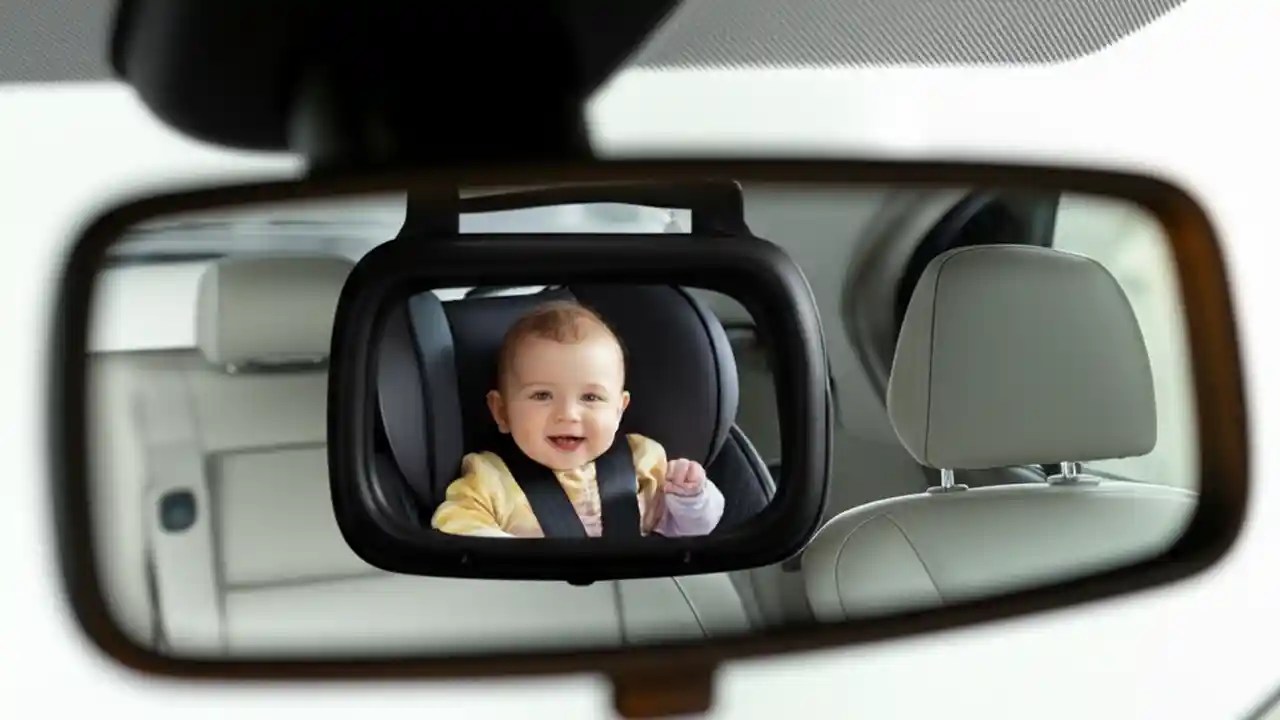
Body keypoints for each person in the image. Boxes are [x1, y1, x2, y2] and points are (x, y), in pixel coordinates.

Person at [430, 299, 725, 538]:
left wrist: (691, 498)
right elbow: (455, 526)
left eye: (591, 397)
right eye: (542, 395)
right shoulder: (489, 479)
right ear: (502, 412)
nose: (568, 414)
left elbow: (692, 531)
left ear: (619, 410)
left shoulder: (644, 461)